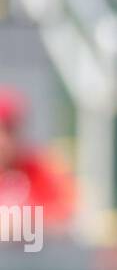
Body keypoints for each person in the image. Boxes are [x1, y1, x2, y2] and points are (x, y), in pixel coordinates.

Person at [0, 88, 76, 238]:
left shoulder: (43, 170)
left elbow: (69, 215)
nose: (3, 140)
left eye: (9, 129)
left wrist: (25, 222)